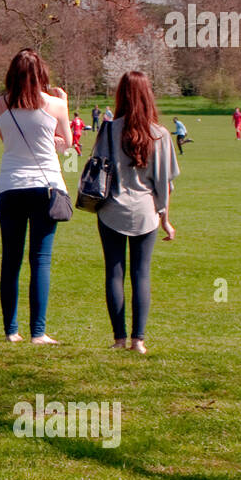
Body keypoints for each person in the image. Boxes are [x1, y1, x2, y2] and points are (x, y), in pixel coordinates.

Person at [0, 48, 71, 344]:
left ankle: (11, 331)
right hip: (46, 185)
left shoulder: (0, 105)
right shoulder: (55, 104)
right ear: (42, 74)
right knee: (40, 260)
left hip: (10, 185)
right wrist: (57, 137)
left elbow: (8, 142)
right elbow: (67, 146)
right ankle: (38, 332)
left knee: (11, 260)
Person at [97, 71, 178, 354]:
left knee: (114, 273)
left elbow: (98, 168)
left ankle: (119, 339)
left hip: (111, 209)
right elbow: (164, 183)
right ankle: (138, 340)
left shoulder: (108, 130)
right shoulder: (161, 134)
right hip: (146, 212)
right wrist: (166, 220)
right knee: (141, 274)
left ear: (121, 95)